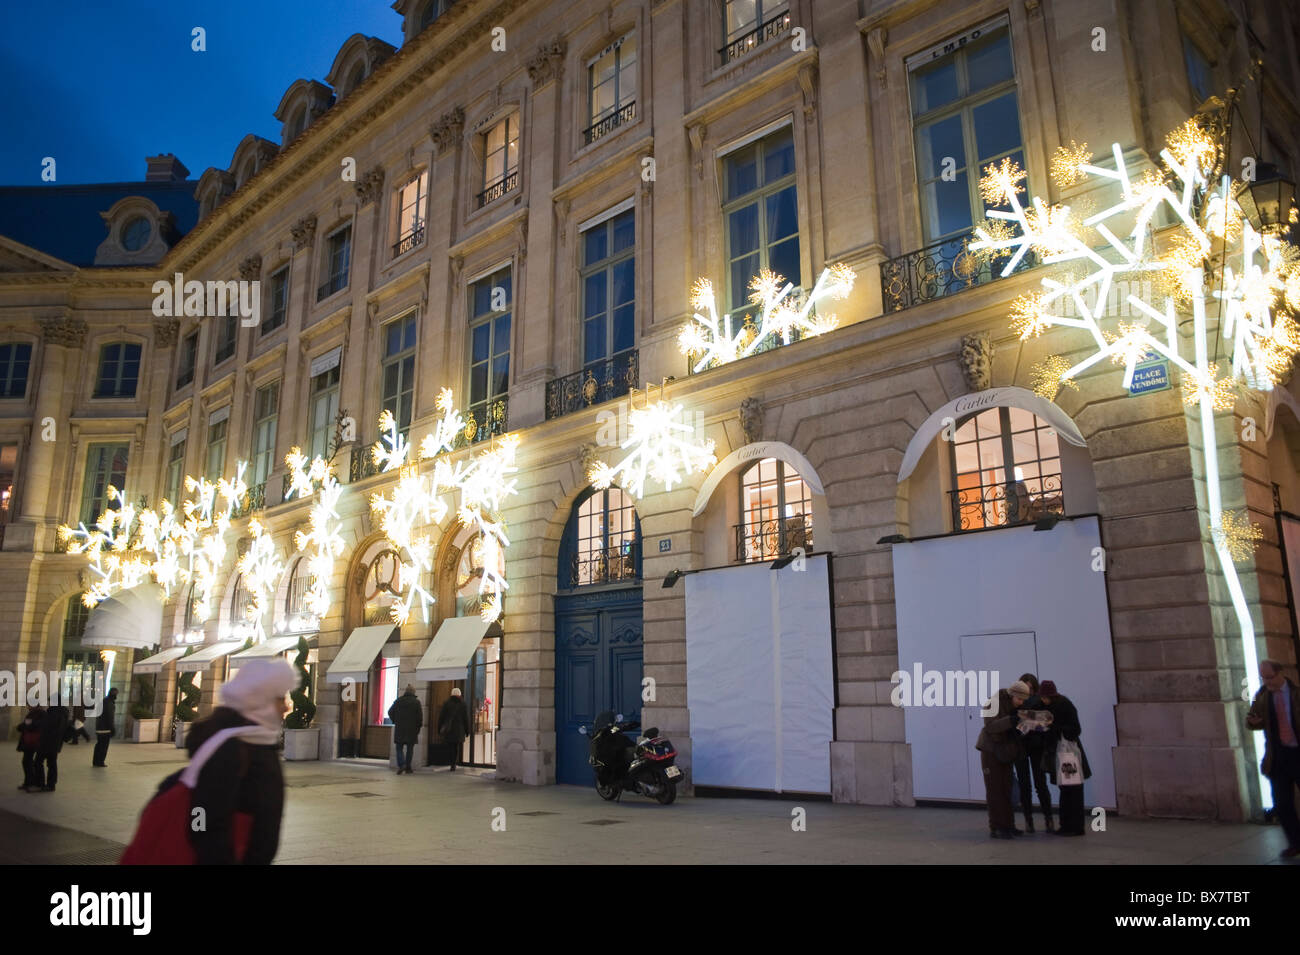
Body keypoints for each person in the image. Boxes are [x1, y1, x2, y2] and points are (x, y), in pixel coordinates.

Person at [178, 658, 297, 864]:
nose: (286, 707)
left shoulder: (260, 740)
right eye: (281, 699)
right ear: (262, 701)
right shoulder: (229, 748)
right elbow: (201, 814)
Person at [1246, 659, 1300, 858]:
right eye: (1263, 677)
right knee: (1282, 802)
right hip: (1278, 755)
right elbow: (1250, 720)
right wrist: (1254, 721)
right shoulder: (1262, 695)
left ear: (1280, 673)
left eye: (1269, 677)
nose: (1267, 681)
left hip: (1297, 751)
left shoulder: (1295, 693)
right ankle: (1296, 842)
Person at [1038, 679, 1091, 836]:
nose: (1043, 700)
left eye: (1045, 697)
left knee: (1071, 789)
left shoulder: (1064, 705)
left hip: (1067, 755)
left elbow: (1075, 729)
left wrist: (1054, 727)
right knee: (1066, 789)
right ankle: (1068, 825)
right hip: (1061, 754)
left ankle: (1073, 826)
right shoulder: (1050, 706)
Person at [976, 682, 1029, 838]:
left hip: (1005, 752)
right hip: (991, 751)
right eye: (1019, 699)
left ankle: (1009, 825)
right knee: (995, 790)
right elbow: (990, 727)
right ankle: (997, 827)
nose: (1021, 702)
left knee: (1007, 789)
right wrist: (1011, 721)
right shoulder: (993, 703)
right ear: (1012, 694)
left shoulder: (1014, 707)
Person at [1013, 672, 1054, 832]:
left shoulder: (1038, 701)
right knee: (1025, 785)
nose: (1028, 691)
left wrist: (1028, 720)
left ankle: (1048, 818)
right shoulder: (1017, 702)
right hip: (1021, 747)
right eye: (1026, 687)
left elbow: (1046, 721)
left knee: (1040, 783)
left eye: (1031, 688)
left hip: (1036, 746)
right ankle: (1029, 820)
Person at [34, 698, 69, 792]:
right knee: (50, 763)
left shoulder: (55, 713)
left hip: (48, 742)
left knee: (39, 762)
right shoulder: (61, 712)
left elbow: (50, 727)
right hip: (54, 743)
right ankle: (50, 784)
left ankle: (43, 783)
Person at [388, 685, 423, 775]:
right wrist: (418, 728)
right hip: (412, 730)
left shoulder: (398, 701)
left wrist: (395, 720)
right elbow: (419, 718)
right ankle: (408, 767)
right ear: (413, 692)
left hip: (400, 728)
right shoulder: (416, 702)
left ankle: (401, 764)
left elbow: (390, 711)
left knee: (399, 748)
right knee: (410, 749)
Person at [438, 687, 470, 771]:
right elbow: (465, 719)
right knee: (456, 747)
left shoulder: (446, 703)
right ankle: (454, 763)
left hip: (449, 729)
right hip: (459, 730)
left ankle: (451, 763)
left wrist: (439, 728)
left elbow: (441, 717)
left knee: (450, 746)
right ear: (459, 694)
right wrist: (467, 731)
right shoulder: (463, 704)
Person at [16, 705, 43, 792]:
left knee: (28, 761)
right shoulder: (32, 713)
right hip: (28, 741)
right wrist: (24, 725)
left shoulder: (40, 713)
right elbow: (24, 725)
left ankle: (31, 782)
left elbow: (36, 726)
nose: (28, 706)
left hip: (33, 741)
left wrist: (28, 724)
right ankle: (28, 782)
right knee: (27, 762)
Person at [92, 687, 118, 767]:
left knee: (99, 745)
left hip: (99, 727)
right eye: (116, 694)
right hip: (105, 729)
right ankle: (100, 761)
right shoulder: (110, 703)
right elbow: (110, 717)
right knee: (104, 746)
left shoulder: (104, 701)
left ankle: (95, 761)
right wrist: (112, 729)